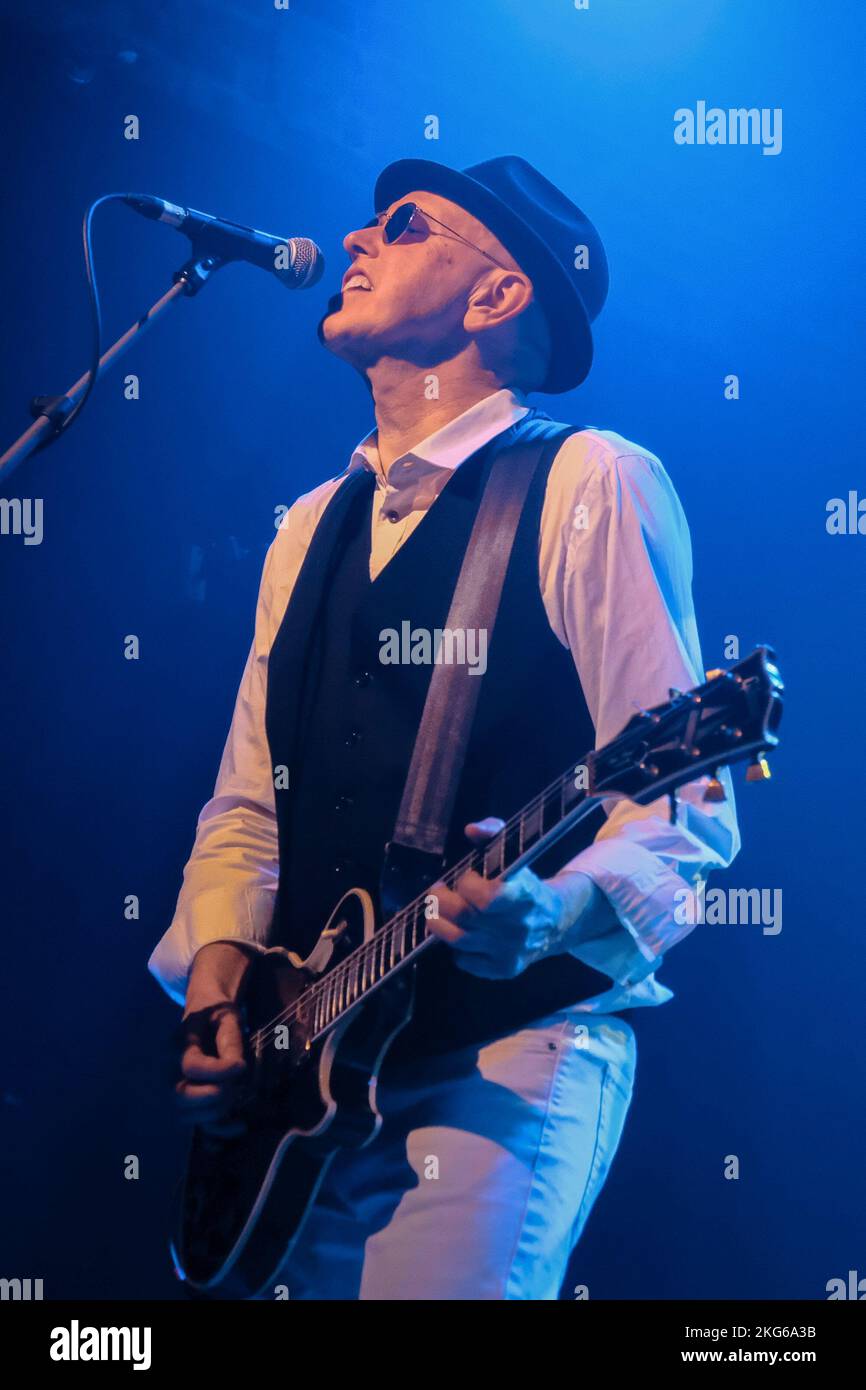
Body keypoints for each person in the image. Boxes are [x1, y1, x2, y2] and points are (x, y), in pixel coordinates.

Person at [148, 155, 740, 1299]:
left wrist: (546, 911)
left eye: (404, 226)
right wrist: (222, 1002)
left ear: (495, 297)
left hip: (504, 1060)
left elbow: (683, 811)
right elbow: (246, 808)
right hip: (307, 1083)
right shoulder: (307, 526)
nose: (355, 240)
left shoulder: (589, 481)